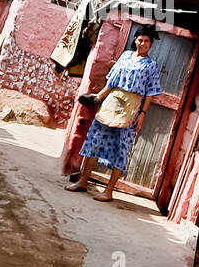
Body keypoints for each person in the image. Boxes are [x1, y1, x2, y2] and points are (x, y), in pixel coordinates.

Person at [66, 25, 163, 202]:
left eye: (147, 41)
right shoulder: (125, 56)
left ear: (151, 44)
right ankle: (83, 181)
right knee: (94, 140)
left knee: (121, 148)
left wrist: (142, 113)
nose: (143, 43)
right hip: (111, 101)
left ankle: (109, 191)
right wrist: (97, 97)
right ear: (135, 39)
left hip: (130, 107)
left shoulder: (151, 65)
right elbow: (111, 81)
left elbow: (150, 92)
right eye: (140, 39)